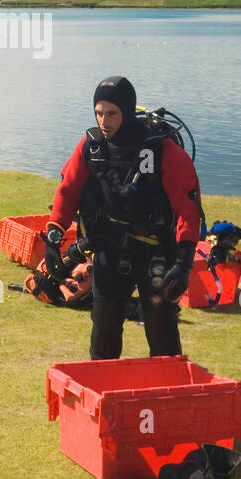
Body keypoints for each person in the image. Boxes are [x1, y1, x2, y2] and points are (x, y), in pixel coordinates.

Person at [45, 76, 203, 361]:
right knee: (103, 339)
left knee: (163, 340)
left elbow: (187, 209)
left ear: (127, 112)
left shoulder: (161, 149)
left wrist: (183, 261)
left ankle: (167, 400)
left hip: (155, 255)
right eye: (99, 113)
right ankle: (106, 401)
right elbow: (67, 192)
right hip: (109, 252)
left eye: (112, 114)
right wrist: (53, 238)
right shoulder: (91, 148)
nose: (104, 121)